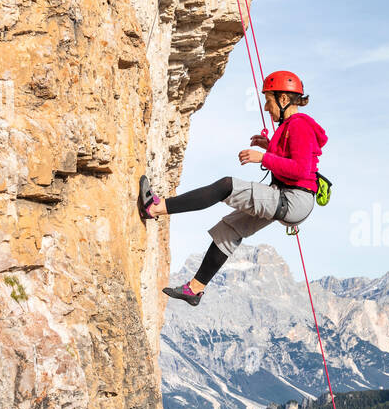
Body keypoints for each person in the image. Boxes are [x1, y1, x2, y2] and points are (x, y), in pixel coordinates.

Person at [139, 70, 326, 305]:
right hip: (290, 199)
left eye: (269, 101)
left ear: (284, 99)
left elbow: (299, 169)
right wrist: (269, 147)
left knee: (226, 186)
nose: (267, 108)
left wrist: (263, 158)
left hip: (293, 199)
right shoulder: (291, 126)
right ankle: (194, 290)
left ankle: (156, 207)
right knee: (230, 229)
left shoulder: (299, 125)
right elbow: (293, 159)